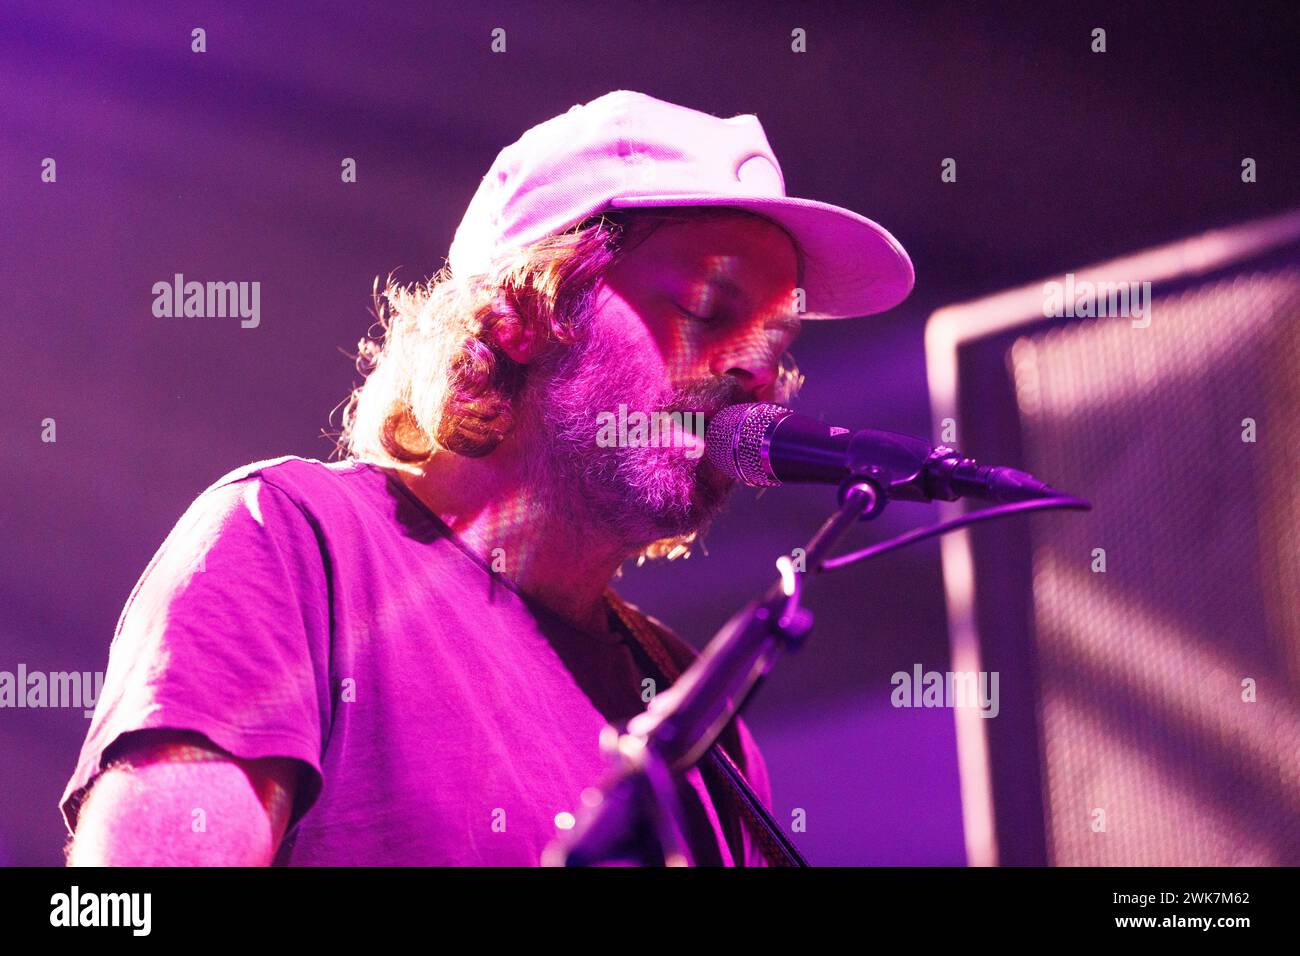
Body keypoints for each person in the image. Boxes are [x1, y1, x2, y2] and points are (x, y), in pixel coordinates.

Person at [59, 89, 913, 866]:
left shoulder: (699, 713)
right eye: (704, 309)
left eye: (774, 344)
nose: (755, 375)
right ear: (522, 314)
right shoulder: (293, 545)